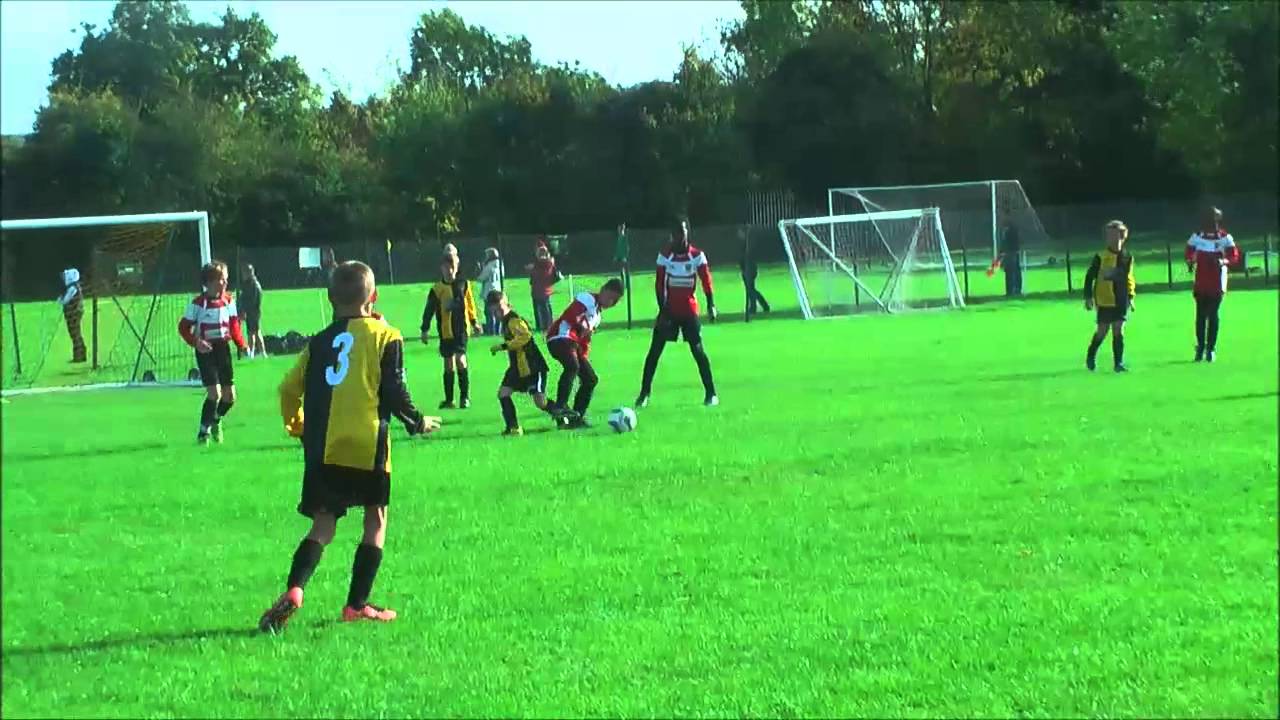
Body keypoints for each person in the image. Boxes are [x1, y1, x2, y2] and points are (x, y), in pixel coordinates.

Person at [258, 261, 441, 633]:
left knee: (323, 524)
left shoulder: (319, 341)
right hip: (367, 443)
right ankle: (356, 606)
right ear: (373, 297)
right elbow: (394, 390)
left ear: (329, 298)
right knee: (375, 520)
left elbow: (287, 389)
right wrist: (417, 422)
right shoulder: (386, 335)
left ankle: (295, 589)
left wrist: (298, 426)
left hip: (324, 448)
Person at [636, 217, 719, 408]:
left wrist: (711, 305)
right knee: (654, 352)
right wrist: (663, 311)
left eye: (683, 231)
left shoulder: (697, 255)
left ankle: (711, 393)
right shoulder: (664, 255)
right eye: (676, 233)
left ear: (688, 232)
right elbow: (659, 285)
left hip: (689, 312)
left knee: (698, 351)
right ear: (671, 235)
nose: (679, 236)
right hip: (669, 312)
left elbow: (706, 281)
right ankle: (644, 395)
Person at [179, 261, 250, 444]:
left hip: (222, 349)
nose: (226, 283)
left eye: (226, 279)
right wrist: (196, 342)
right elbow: (184, 328)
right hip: (206, 351)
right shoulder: (198, 304)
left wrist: (241, 344)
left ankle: (216, 419)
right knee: (214, 393)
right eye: (222, 280)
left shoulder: (228, 301)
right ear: (210, 282)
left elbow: (234, 325)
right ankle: (203, 433)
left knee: (230, 397)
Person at [546, 278, 625, 429]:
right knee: (572, 366)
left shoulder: (597, 316)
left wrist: (584, 357)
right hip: (560, 337)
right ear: (603, 290)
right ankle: (560, 406)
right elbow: (570, 315)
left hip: (574, 345)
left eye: (614, 301)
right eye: (610, 297)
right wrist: (581, 327)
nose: (610, 302)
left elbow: (585, 341)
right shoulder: (586, 298)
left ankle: (576, 416)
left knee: (590, 379)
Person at [487, 289, 567, 435]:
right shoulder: (506, 322)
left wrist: (503, 346)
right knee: (503, 394)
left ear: (506, 304)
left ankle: (564, 416)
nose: (497, 313)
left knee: (540, 401)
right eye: (494, 312)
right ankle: (513, 428)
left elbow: (525, 336)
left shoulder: (514, 320)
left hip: (532, 366)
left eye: (499, 309)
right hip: (517, 368)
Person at [421, 257, 481, 409]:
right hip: (445, 331)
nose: (448, 270)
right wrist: (425, 329)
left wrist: (475, 322)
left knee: (460, 360)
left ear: (456, 267)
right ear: (441, 268)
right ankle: (449, 400)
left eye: (451, 267)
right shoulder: (437, 288)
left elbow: (470, 304)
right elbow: (429, 309)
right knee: (448, 364)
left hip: (461, 329)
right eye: (445, 267)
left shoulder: (463, 284)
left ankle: (464, 398)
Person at [1185, 206, 1240, 363]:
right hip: (1201, 282)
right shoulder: (1197, 237)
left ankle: (1211, 349)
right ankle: (1200, 348)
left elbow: (1234, 256)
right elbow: (1188, 252)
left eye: (1214, 219)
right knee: (1201, 315)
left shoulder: (1225, 238)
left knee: (1213, 314)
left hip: (1217, 282)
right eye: (1209, 219)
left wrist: (1223, 261)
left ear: (1218, 220)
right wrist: (1191, 260)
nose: (1211, 223)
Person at [1083, 220, 1136, 373]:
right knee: (1102, 331)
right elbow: (1089, 276)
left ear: (1122, 236)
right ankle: (1091, 356)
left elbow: (1129, 278)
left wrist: (1131, 296)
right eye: (1108, 235)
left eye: (1114, 235)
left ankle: (1118, 363)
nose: (1111, 239)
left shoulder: (1127, 257)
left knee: (1119, 330)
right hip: (1105, 299)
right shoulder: (1100, 257)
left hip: (1121, 299)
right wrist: (1088, 297)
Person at [527, 242, 560, 331]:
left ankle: (543, 325)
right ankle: (548, 325)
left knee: (540, 309)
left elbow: (535, 270)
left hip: (540, 289)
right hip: (544, 289)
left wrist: (531, 268)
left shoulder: (542, 263)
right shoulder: (549, 262)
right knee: (546, 308)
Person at [57, 267, 87, 363]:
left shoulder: (72, 288)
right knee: (76, 334)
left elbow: (65, 301)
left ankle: (79, 356)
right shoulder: (74, 287)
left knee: (75, 334)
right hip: (74, 313)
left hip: (74, 313)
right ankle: (81, 355)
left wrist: (60, 300)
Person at [739, 228, 770, 317]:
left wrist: (746, 269)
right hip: (746, 269)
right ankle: (758, 306)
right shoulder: (744, 245)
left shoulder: (748, 245)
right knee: (750, 289)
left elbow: (748, 257)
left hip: (750, 269)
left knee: (750, 289)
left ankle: (756, 307)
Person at [239, 263, 266, 359]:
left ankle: (255, 352)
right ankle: (255, 352)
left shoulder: (252, 285)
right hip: (253, 312)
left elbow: (252, 300)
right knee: (253, 332)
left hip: (253, 312)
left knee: (253, 333)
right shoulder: (250, 284)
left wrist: (245, 310)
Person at [476, 247, 504, 335]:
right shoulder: (500, 264)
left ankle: (491, 331)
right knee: (497, 312)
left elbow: (481, 278)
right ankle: (497, 331)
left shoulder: (489, 266)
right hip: (498, 290)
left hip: (489, 292)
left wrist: (479, 270)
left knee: (489, 313)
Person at [1001, 222, 1023, 297]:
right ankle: (1015, 289)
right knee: (1014, 271)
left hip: (1011, 253)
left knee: (1011, 272)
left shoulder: (1009, 230)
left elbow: (1006, 243)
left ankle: (1011, 290)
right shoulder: (1012, 229)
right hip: (1013, 252)